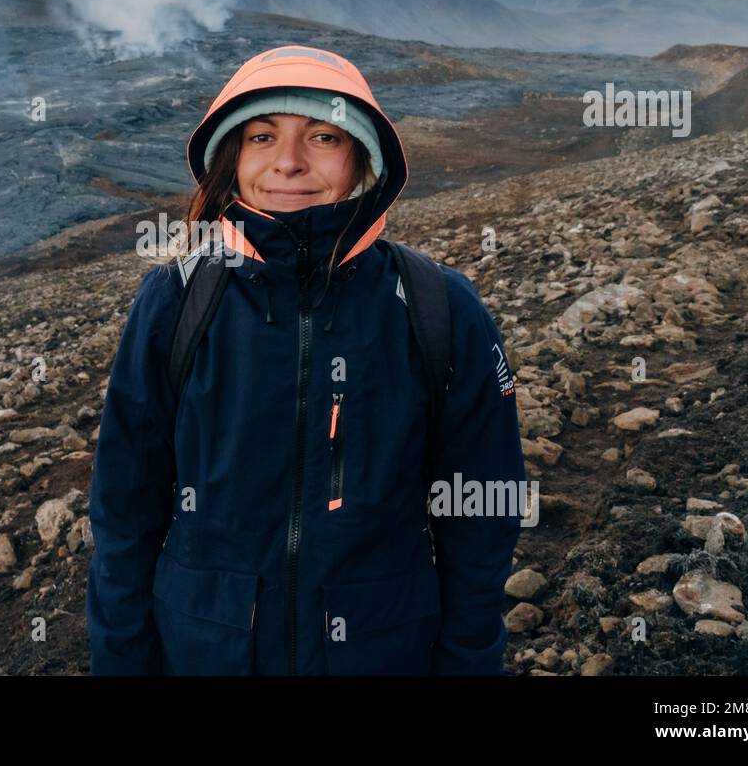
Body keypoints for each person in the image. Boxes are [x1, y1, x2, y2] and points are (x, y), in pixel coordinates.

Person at [86, 44, 526, 675]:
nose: (288, 163)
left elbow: (482, 510)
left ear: (363, 160)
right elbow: (125, 513)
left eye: (323, 137)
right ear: (230, 159)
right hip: (206, 651)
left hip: (382, 652)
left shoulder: (437, 304)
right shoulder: (176, 300)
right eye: (262, 136)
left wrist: (468, 660)